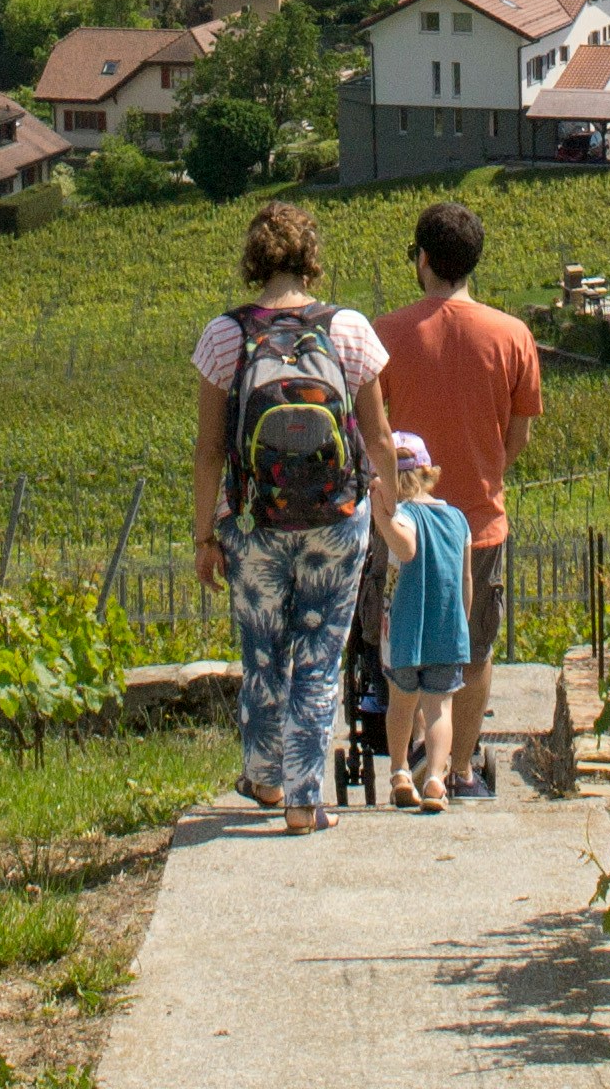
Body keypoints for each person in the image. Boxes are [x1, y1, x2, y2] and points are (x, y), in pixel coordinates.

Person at [193, 198, 397, 834]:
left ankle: (265, 775)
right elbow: (381, 437)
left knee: (262, 648)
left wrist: (204, 534)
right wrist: (389, 516)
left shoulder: (225, 336)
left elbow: (206, 452)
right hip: (337, 518)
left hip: (253, 519)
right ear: (312, 257)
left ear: (254, 258)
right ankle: (304, 798)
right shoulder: (350, 329)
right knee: (319, 651)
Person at [377, 196, 541, 801]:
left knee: (403, 641)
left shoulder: (387, 334)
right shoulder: (513, 335)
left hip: (403, 525)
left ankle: (416, 750)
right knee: (472, 647)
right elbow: (516, 438)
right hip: (478, 522)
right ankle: (461, 768)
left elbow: (372, 432)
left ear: (421, 259)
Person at [373, 426, 472, 808]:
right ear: (428, 472)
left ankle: (399, 770)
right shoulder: (458, 519)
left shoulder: (404, 515)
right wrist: (461, 620)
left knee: (401, 704)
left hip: (405, 630)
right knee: (439, 708)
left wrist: (383, 517)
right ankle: (434, 777)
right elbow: (465, 579)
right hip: (448, 630)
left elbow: (407, 548)